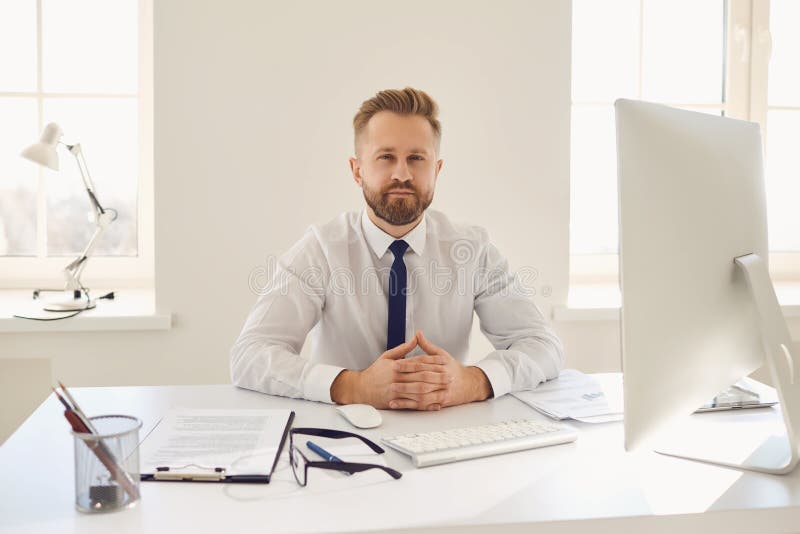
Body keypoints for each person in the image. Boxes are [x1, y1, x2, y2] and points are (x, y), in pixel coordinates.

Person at [231, 87, 563, 411]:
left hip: (443, 436)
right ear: (357, 170)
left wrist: (473, 382)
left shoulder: (471, 249)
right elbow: (250, 355)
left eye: (416, 158)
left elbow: (542, 345)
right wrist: (353, 386)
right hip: (344, 437)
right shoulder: (321, 249)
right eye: (386, 157)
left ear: (436, 169)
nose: (402, 174)